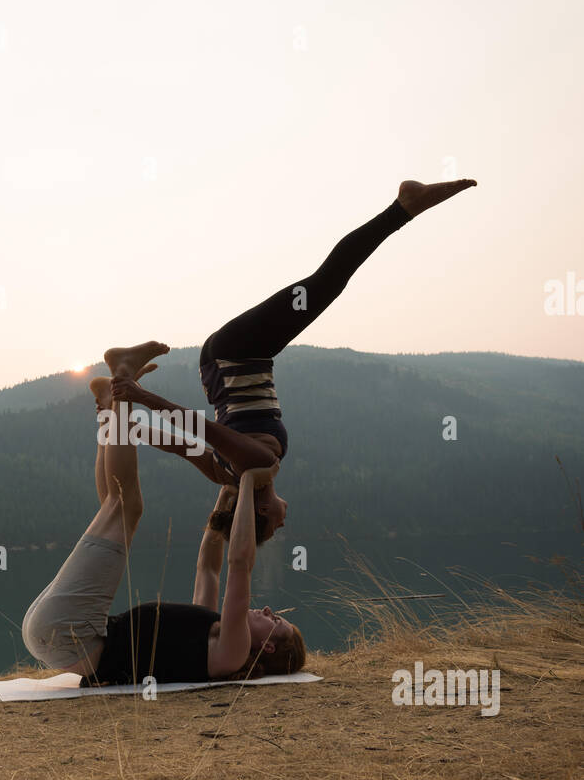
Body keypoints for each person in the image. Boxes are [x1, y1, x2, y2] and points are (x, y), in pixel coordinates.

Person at [110, 177, 477, 543]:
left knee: (327, 281)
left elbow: (199, 428)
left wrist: (140, 396)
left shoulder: (257, 466)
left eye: (274, 528)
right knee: (326, 284)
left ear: (263, 513)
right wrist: (114, 410)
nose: (283, 524)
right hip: (229, 359)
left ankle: (403, 207)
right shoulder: (223, 474)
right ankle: (123, 363)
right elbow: (163, 439)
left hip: (237, 353)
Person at [21, 342, 306, 686]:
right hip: (60, 631)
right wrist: (227, 493)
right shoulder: (210, 630)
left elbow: (239, 565)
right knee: (114, 506)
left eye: (275, 621)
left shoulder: (231, 654)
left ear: (269, 649)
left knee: (125, 507)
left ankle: (121, 378)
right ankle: (110, 411)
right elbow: (209, 566)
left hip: (70, 633)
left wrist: (247, 484)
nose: (266, 611)